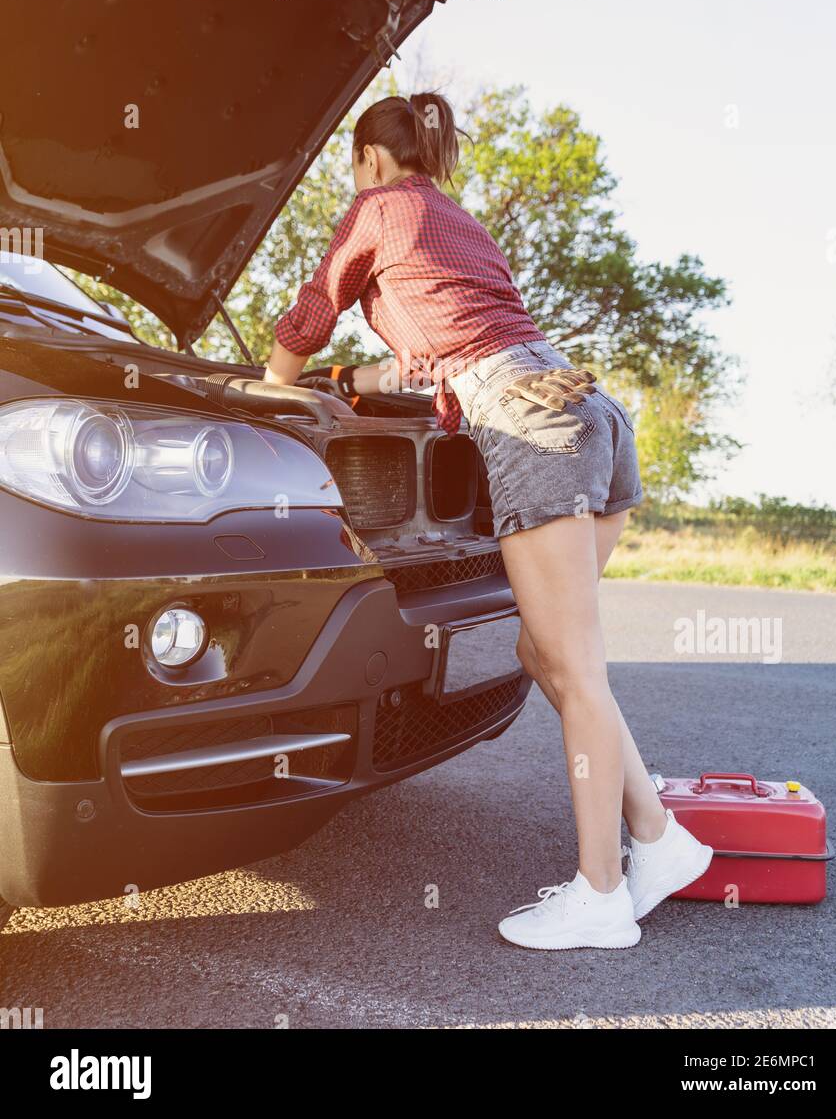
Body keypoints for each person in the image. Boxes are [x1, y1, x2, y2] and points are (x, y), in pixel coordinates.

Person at [265, 92, 712, 950]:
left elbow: (312, 309)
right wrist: (356, 377)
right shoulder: (455, 222)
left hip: (530, 424)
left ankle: (600, 896)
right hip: (589, 410)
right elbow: (452, 345)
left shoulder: (378, 205)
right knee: (545, 654)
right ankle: (659, 840)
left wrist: (277, 379)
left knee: (575, 670)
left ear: (368, 158)